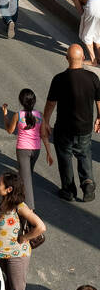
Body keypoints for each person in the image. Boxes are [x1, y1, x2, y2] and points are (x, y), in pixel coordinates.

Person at [42, 44, 100, 202]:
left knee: (65, 157)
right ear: (83, 58)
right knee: (84, 153)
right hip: (85, 128)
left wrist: (45, 121)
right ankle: (87, 182)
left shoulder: (59, 79)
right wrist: (99, 117)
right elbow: (99, 100)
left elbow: (51, 103)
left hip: (64, 128)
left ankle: (68, 190)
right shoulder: (93, 78)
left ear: (67, 58)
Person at [2, 89, 53, 210]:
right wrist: (49, 153)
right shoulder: (40, 115)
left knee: (26, 178)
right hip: (36, 150)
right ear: (34, 101)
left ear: (21, 101)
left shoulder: (18, 115)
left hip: (23, 150)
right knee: (25, 175)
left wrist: (5, 115)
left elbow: (9, 130)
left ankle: (30, 209)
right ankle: (18, 198)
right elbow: (44, 136)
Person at [73, 0, 100, 64]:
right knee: (98, 36)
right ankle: (99, 57)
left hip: (93, 6)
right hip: (96, 4)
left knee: (86, 35)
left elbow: (81, 12)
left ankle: (93, 61)